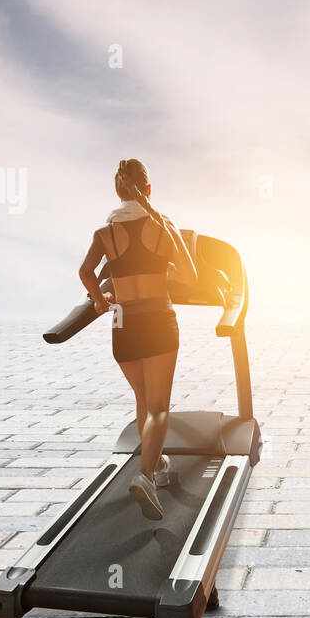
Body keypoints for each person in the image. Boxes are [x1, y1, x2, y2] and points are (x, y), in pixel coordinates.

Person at [78, 159, 200, 519]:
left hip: (123, 323)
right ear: (147, 189)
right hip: (159, 320)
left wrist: (101, 300)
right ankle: (145, 475)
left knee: (144, 397)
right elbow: (191, 278)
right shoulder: (164, 227)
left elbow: (85, 272)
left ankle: (156, 460)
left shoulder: (105, 233)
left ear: (117, 191)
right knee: (160, 406)